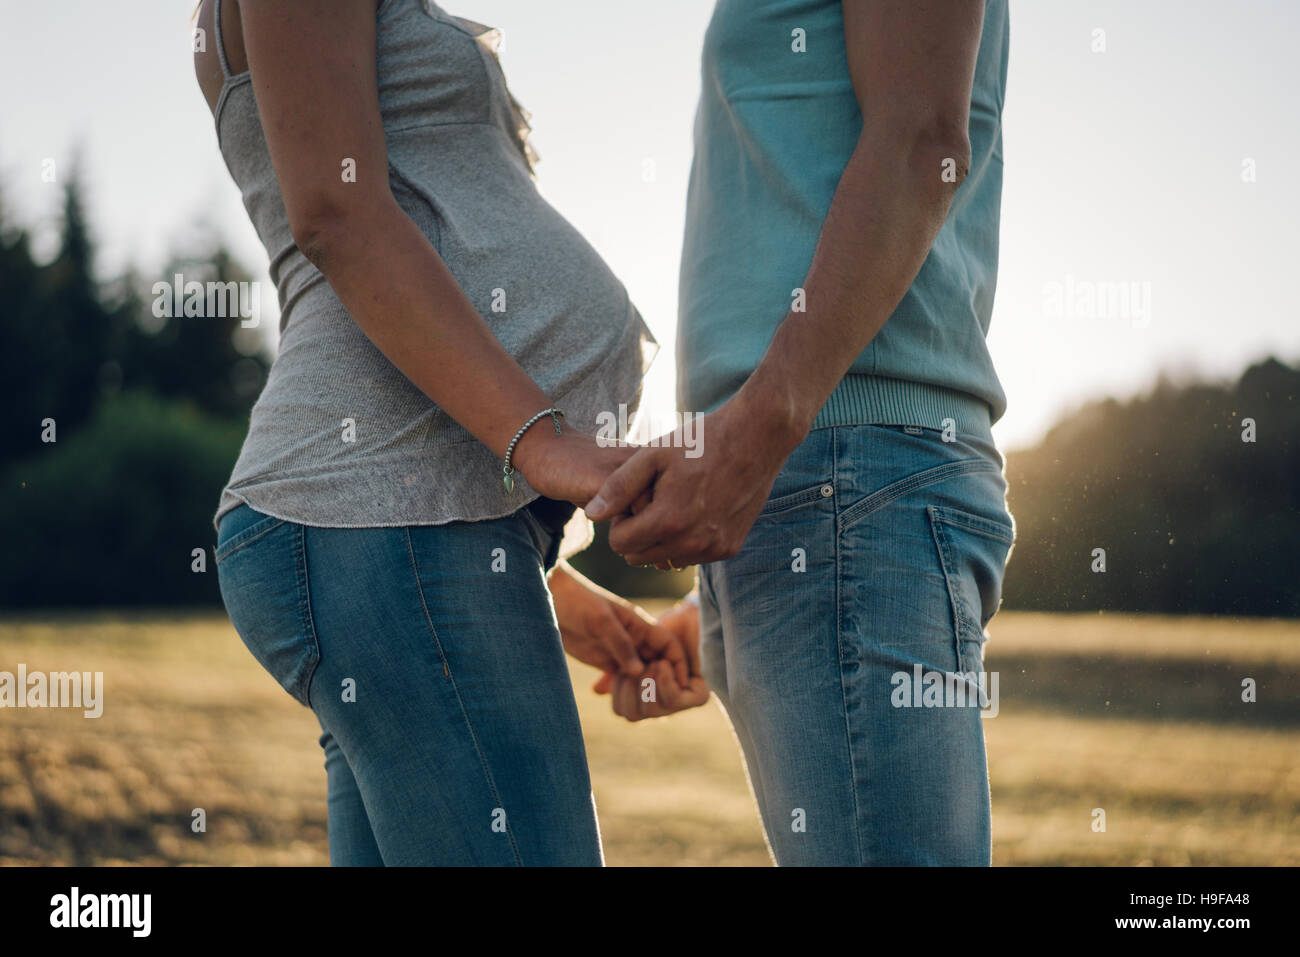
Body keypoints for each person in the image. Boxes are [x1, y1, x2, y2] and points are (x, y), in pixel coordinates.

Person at [195, 0, 704, 866]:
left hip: (407, 536)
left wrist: (550, 581)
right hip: (385, 522)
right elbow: (337, 211)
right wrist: (543, 442)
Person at [590, 0, 1016, 865]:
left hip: (840, 476)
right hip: (827, 493)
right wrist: (725, 603)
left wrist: (769, 430)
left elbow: (923, 141)